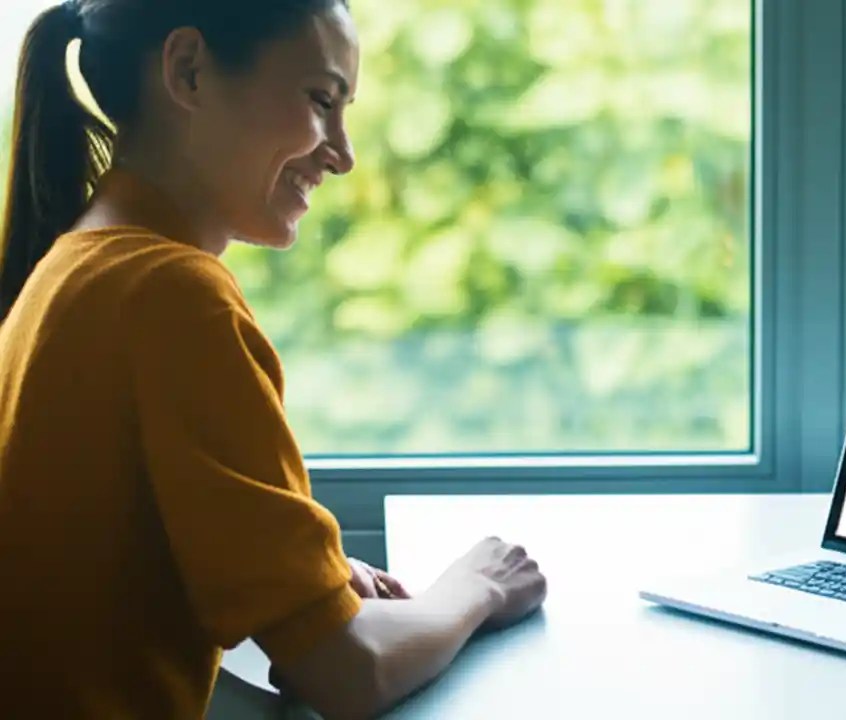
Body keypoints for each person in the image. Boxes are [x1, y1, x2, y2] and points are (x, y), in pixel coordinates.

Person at [0, 1, 546, 717]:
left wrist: (305, 579)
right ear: (188, 71)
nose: (343, 154)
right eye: (321, 100)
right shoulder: (173, 297)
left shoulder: (75, 264)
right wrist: (477, 588)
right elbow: (349, 673)